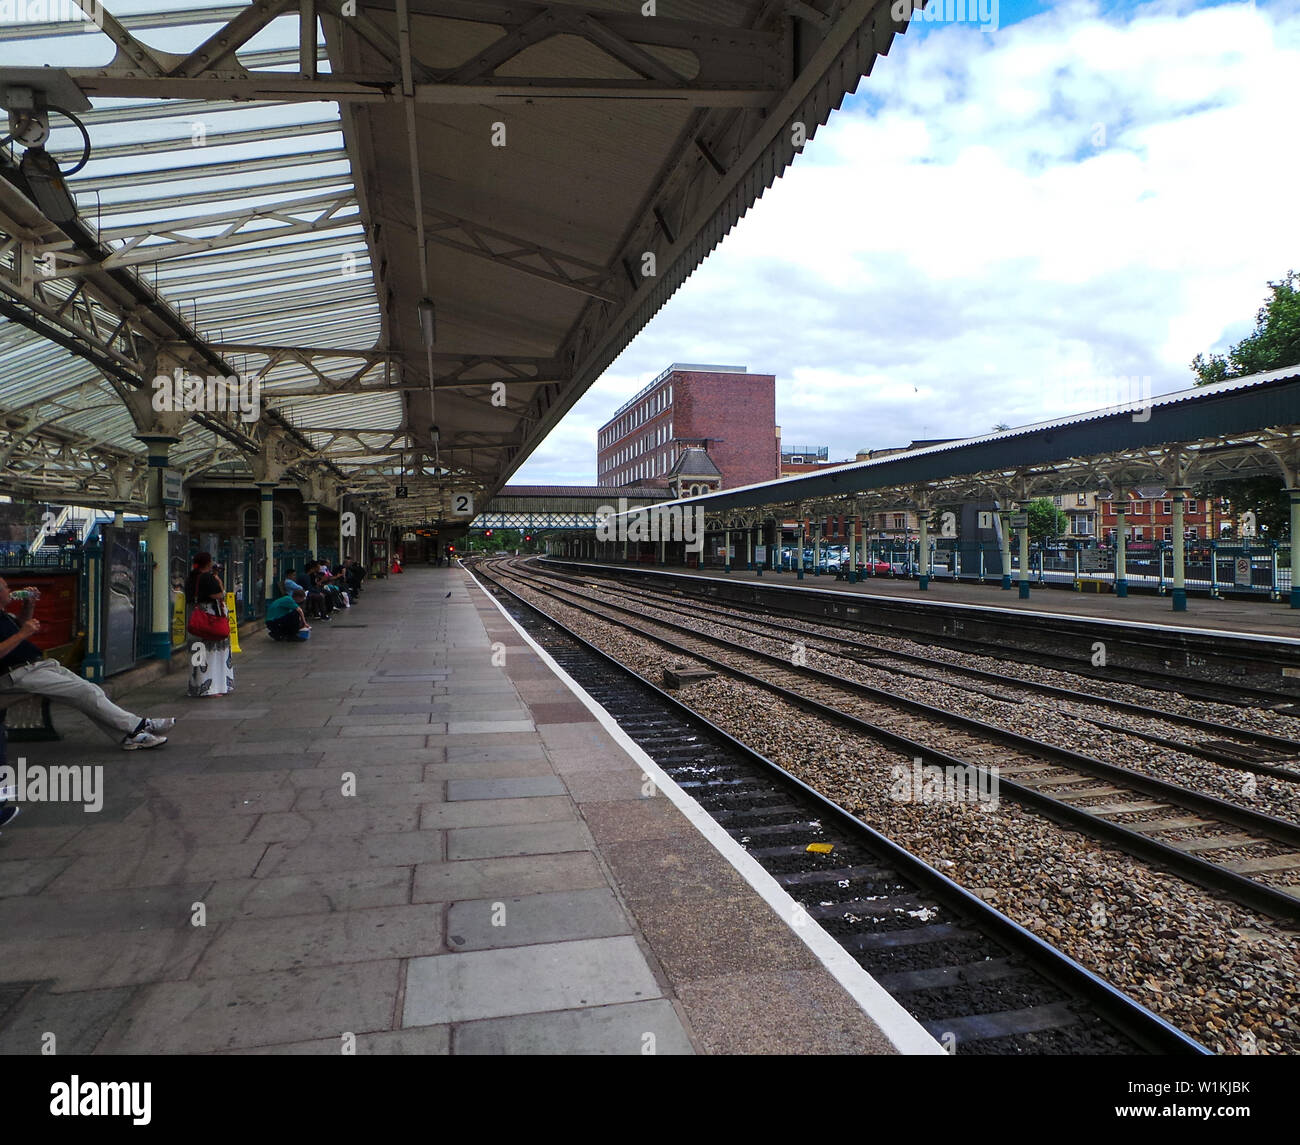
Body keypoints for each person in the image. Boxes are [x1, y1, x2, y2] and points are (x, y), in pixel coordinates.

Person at [0, 578, 172, 749]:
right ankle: (139, 725)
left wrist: (29, 605)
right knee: (85, 692)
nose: (10, 590)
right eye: (5, 588)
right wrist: (23, 634)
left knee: (91, 690)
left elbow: (20, 625)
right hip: (16, 674)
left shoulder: (4, 615)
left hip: (36, 666)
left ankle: (129, 737)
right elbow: (15, 638)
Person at [186, 553, 233, 698]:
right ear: (207, 563)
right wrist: (218, 581)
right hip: (210, 619)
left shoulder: (191, 577)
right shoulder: (207, 577)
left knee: (197, 653)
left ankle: (197, 686)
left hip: (196, 618)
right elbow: (218, 594)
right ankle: (211, 687)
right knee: (213, 654)